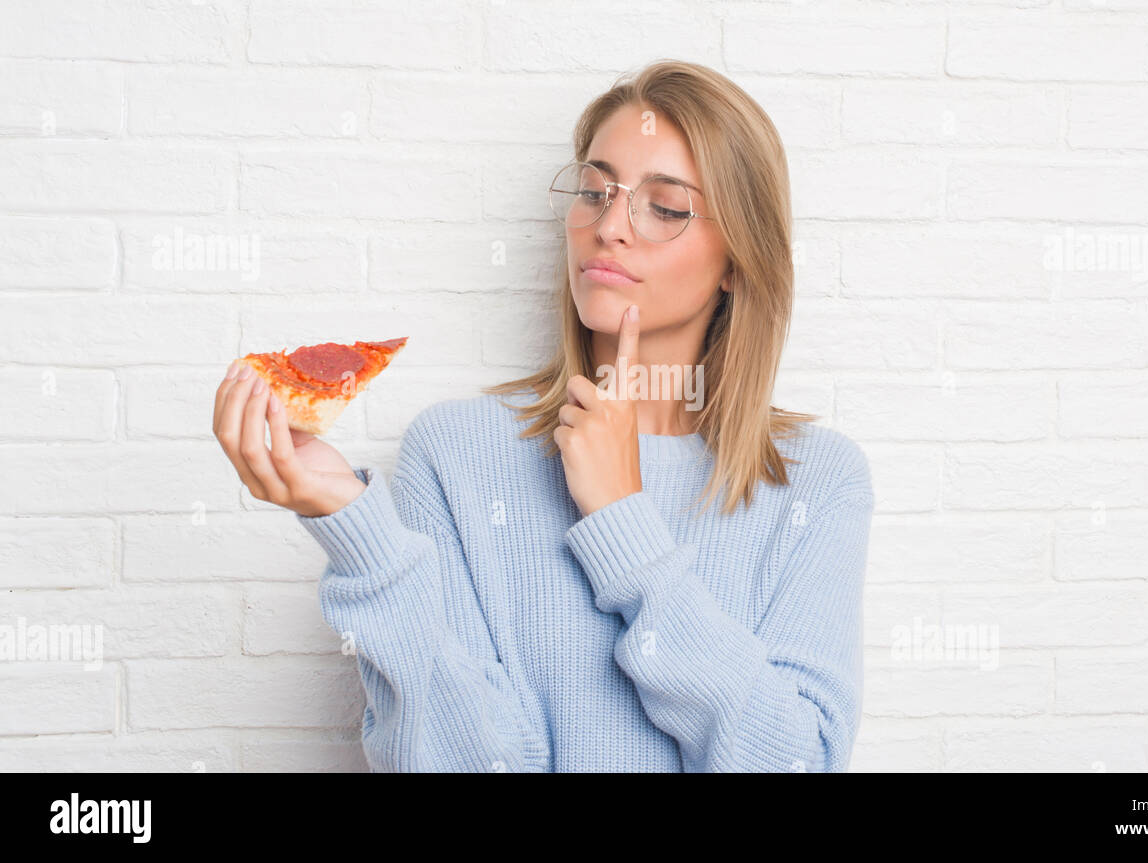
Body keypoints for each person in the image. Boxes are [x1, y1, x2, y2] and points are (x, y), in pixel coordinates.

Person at [212, 59, 874, 772]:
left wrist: (623, 522)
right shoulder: (457, 450)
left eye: (666, 205)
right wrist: (361, 532)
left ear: (739, 260)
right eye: (595, 190)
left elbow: (793, 761)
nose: (610, 226)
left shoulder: (818, 482)